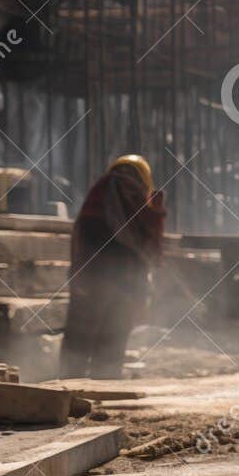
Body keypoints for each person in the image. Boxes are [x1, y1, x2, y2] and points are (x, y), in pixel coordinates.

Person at [60, 154, 165, 379]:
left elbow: (83, 233)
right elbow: (144, 239)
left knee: (80, 334)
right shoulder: (133, 195)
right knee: (114, 332)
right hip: (125, 279)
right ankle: (105, 380)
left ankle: (68, 383)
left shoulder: (102, 189)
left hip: (91, 275)